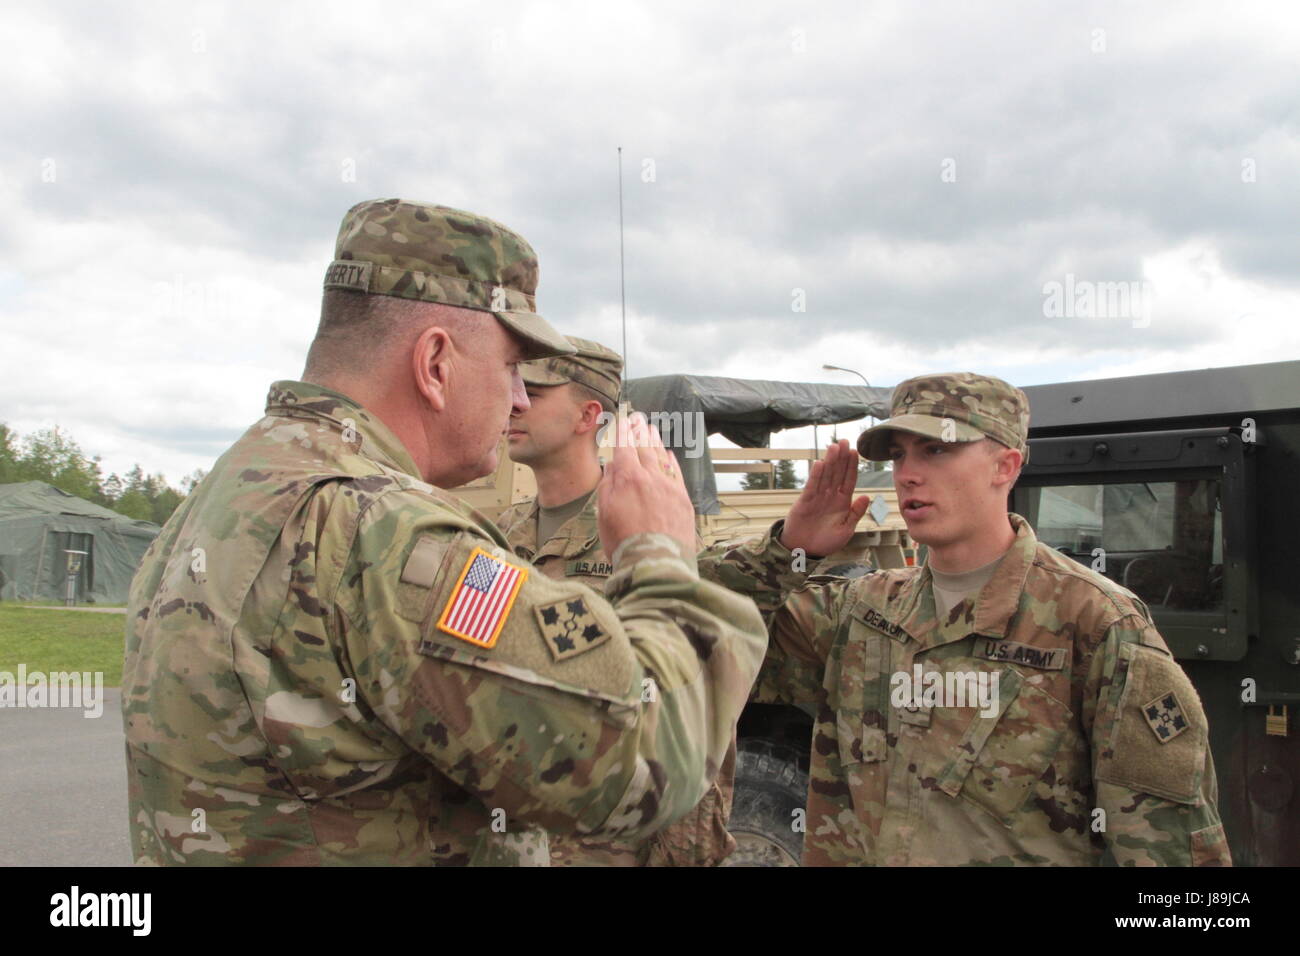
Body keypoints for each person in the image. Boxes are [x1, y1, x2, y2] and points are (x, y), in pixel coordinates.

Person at [121, 198, 766, 866]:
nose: (517, 399)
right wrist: (658, 553)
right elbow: (642, 765)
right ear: (435, 363)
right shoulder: (390, 539)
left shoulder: (226, 492)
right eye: (513, 366)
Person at [699, 372, 1231, 866]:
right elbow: (689, 624)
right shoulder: (861, 611)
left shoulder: (1095, 623)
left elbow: (1174, 857)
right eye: (901, 455)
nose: (908, 474)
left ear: (1006, 466)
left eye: (936, 450)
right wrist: (790, 550)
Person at [496, 337, 737, 866]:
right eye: (514, 387)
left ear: (588, 415)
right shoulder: (497, 533)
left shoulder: (644, 529)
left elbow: (690, 696)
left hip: (609, 837)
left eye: (533, 392)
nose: (513, 402)